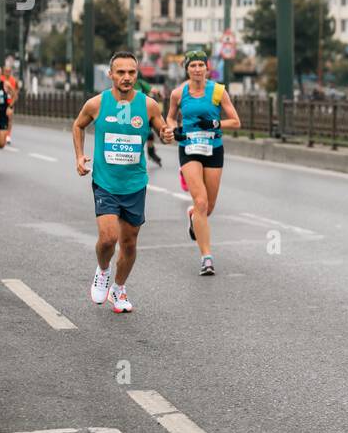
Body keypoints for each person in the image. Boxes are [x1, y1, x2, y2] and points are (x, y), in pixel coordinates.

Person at [71, 50, 175, 313]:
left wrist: (167, 133)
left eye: (131, 72)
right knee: (108, 239)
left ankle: (118, 289)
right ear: (111, 74)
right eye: (121, 72)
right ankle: (103, 270)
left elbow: (163, 133)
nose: (126, 77)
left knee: (129, 243)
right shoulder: (96, 103)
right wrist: (80, 156)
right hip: (106, 181)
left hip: (135, 183)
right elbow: (78, 126)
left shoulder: (149, 105)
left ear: (136, 74)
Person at [167, 50, 241, 276]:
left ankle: (193, 216)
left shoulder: (218, 91)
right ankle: (206, 257)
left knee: (208, 207)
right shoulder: (178, 93)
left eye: (201, 65)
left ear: (207, 67)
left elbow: (236, 122)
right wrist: (173, 129)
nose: (197, 69)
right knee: (200, 201)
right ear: (187, 69)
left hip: (213, 149)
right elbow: (170, 117)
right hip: (189, 149)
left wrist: (215, 123)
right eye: (193, 65)